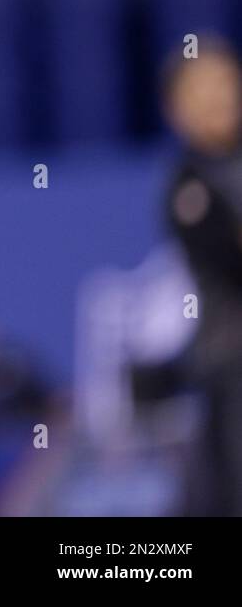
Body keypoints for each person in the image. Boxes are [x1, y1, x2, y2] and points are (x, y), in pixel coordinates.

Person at [161, 36, 242, 516]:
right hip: (230, 363)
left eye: (226, 82)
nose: (218, 97)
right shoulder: (187, 186)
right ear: (176, 109)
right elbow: (228, 259)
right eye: (202, 88)